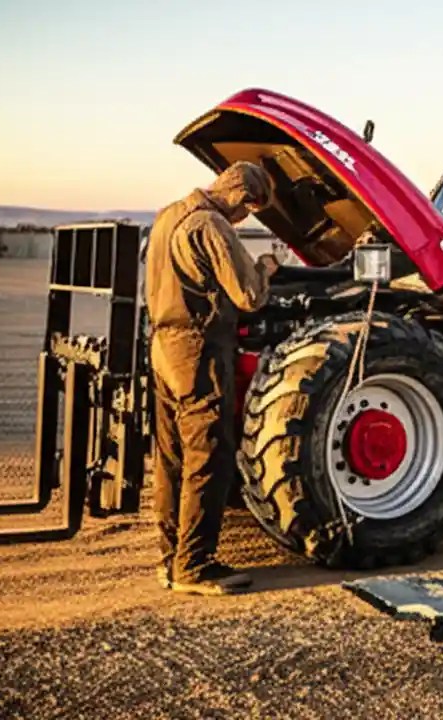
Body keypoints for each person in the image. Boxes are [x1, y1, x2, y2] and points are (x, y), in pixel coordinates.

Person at [144, 160, 279, 595]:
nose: (245, 218)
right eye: (249, 211)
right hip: (197, 351)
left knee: (171, 459)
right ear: (242, 198)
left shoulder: (169, 216)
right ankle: (196, 565)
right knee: (209, 455)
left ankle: (172, 560)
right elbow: (250, 295)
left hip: (163, 346)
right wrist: (268, 267)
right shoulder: (212, 225)